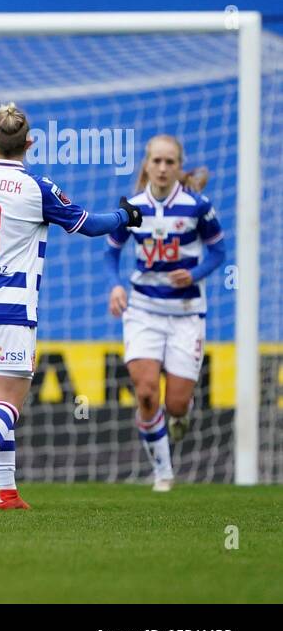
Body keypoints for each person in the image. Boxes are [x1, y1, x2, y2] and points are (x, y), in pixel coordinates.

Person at [0, 103, 142, 510]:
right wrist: (125, 215)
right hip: (10, 304)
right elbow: (89, 225)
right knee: (9, 403)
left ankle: (8, 491)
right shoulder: (38, 187)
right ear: (30, 143)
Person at [105, 135, 224, 492]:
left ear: (178, 167)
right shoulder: (132, 207)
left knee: (175, 404)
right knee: (144, 393)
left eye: (169, 162)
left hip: (187, 312)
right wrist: (116, 286)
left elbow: (219, 253)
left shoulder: (197, 207)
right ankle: (163, 472)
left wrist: (196, 273)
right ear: (146, 164)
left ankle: (181, 414)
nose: (161, 168)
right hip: (143, 309)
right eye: (156, 161)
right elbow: (111, 253)